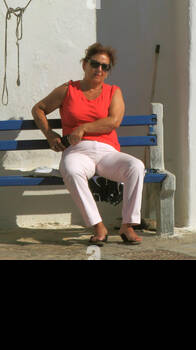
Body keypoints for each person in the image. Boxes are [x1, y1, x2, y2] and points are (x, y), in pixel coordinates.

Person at [33, 42, 145, 246]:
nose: (99, 70)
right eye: (95, 64)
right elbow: (38, 109)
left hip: (107, 152)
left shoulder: (113, 92)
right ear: (84, 64)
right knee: (70, 168)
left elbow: (114, 121)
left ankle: (127, 225)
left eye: (105, 67)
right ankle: (98, 226)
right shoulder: (68, 90)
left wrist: (83, 128)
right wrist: (49, 134)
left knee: (136, 166)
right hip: (77, 151)